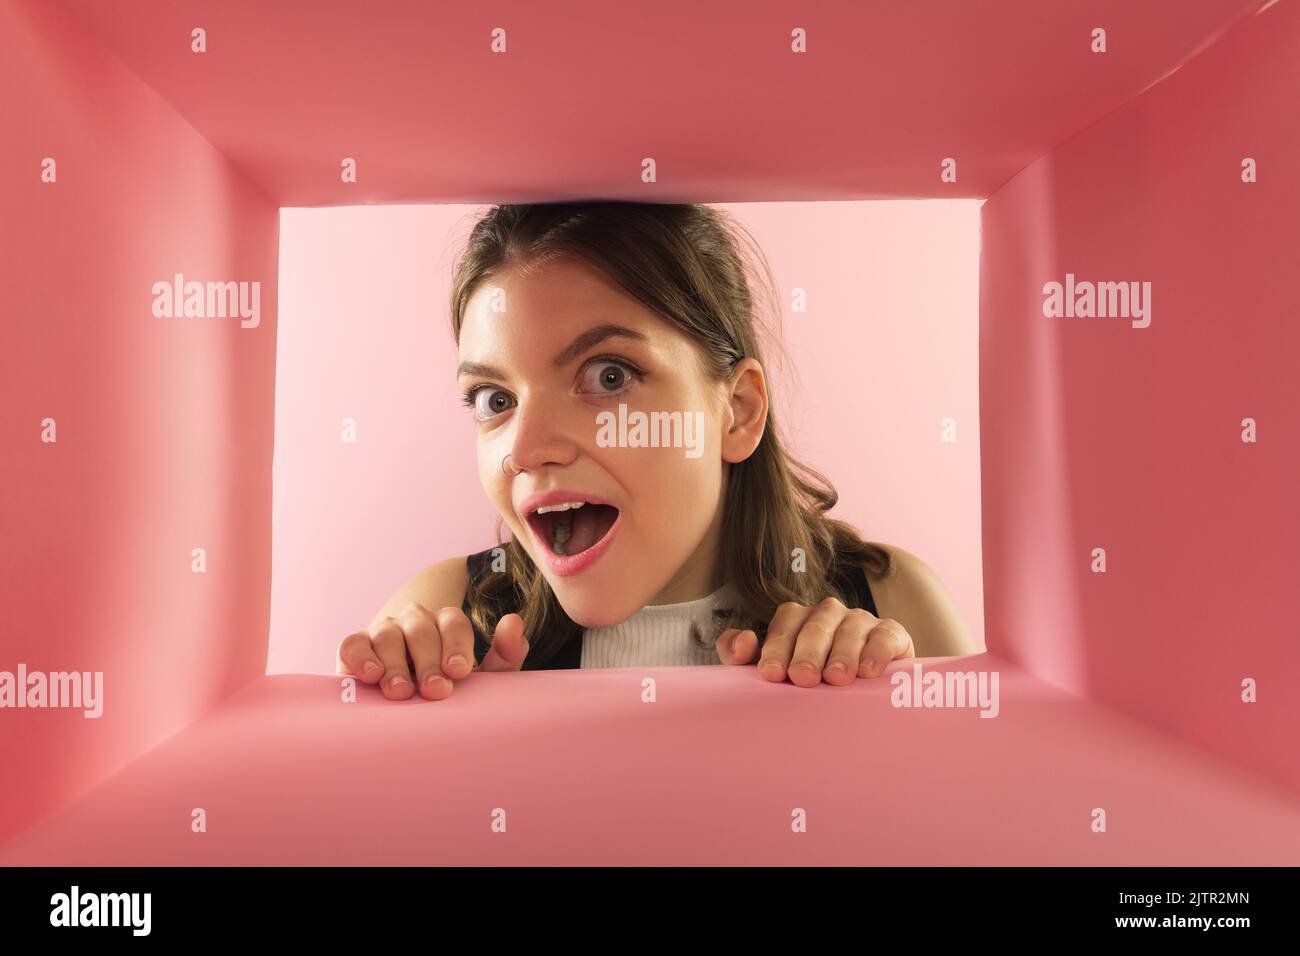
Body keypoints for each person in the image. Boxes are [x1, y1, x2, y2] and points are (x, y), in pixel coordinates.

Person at [336, 201, 978, 699]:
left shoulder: (894, 605)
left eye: (608, 376)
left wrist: (889, 736)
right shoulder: (443, 616)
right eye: (493, 399)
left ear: (738, 410)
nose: (525, 450)